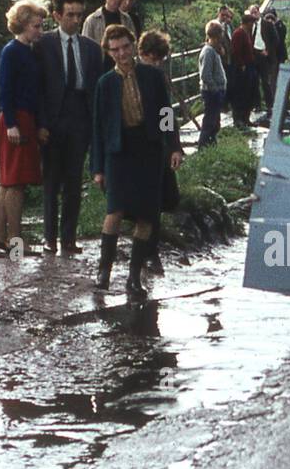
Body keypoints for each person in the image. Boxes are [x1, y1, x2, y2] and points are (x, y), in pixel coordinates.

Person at [90, 24, 184, 298]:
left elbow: (166, 113)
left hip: (149, 149)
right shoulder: (104, 83)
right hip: (119, 152)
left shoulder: (152, 75)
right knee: (115, 210)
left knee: (147, 214)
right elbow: (97, 127)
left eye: (125, 47)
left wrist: (173, 147)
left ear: (134, 46)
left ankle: (134, 276)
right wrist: (97, 167)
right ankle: (103, 271)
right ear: (108, 52)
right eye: (115, 49)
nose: (121, 54)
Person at [35, 0, 103, 256]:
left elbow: (95, 88)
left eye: (79, 15)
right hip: (52, 120)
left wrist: (93, 125)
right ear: (57, 15)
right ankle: (49, 237)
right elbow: (38, 88)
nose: (76, 20)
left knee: (74, 182)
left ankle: (69, 238)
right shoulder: (43, 45)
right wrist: (40, 123)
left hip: (80, 119)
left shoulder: (91, 49)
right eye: (70, 15)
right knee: (51, 180)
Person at [0, 0, 49, 255]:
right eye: (36, 26)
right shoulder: (11, 51)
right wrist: (12, 123)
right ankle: (14, 240)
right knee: (14, 183)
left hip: (24, 118)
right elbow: (5, 89)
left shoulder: (29, 52)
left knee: (9, 182)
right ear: (23, 25)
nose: (40, 30)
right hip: (15, 119)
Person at [137, 29, 188, 276]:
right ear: (143, 55)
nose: (157, 64)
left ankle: (150, 251)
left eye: (160, 59)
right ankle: (146, 253)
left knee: (160, 200)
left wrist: (173, 145)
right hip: (137, 146)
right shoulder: (132, 76)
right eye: (153, 58)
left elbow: (167, 113)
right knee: (146, 202)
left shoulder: (157, 78)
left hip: (157, 145)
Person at [82, 0, 136, 72]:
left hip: (124, 71)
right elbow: (85, 50)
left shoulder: (126, 19)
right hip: (100, 72)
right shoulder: (92, 20)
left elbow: (133, 45)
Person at [198, 21, 228, 147]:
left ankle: (211, 144)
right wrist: (215, 89)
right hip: (211, 92)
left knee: (215, 122)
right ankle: (203, 145)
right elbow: (205, 75)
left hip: (215, 90)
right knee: (209, 121)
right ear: (215, 37)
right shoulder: (208, 52)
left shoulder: (213, 51)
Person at [229, 10, 259, 129]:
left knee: (250, 94)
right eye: (251, 23)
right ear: (246, 23)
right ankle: (238, 119)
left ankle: (246, 118)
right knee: (240, 94)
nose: (252, 25)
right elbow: (236, 51)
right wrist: (242, 65)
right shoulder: (239, 33)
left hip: (250, 66)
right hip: (242, 68)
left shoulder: (247, 33)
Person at [257, 9, 284, 110]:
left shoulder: (278, 27)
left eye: (271, 19)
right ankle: (266, 103)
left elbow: (278, 40)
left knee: (273, 81)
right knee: (266, 82)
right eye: (267, 18)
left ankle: (274, 102)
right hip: (264, 59)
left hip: (275, 58)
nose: (269, 21)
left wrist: (268, 50)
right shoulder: (260, 27)